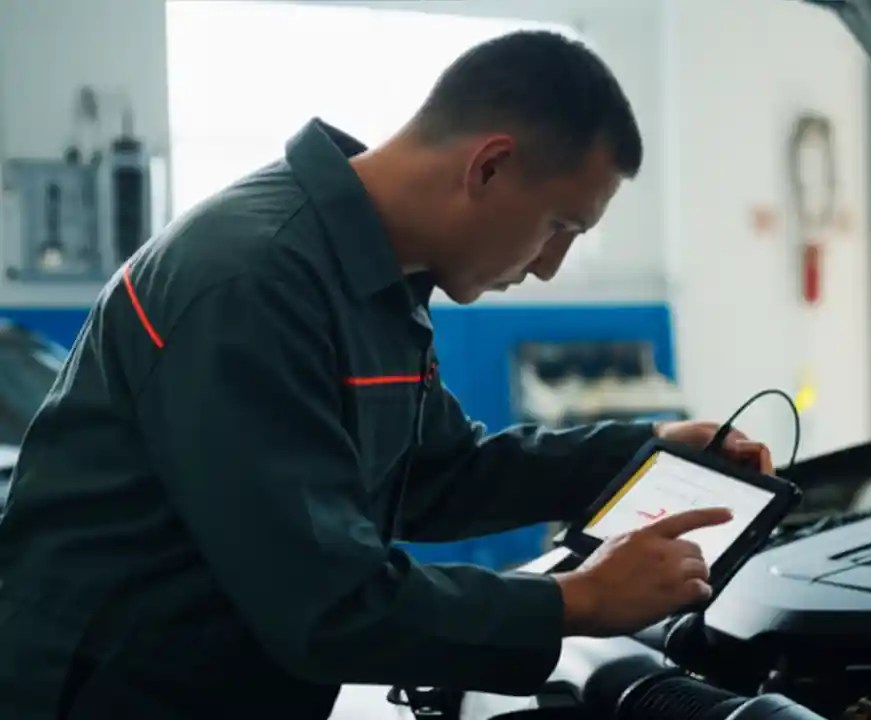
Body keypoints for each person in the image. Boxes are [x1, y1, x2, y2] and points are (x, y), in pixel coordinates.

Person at [0, 30, 773, 719]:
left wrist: (643, 450)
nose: (549, 267)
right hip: (108, 693)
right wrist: (576, 601)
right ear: (490, 166)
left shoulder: (373, 278)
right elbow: (330, 607)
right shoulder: (252, 282)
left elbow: (439, 476)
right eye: (560, 228)